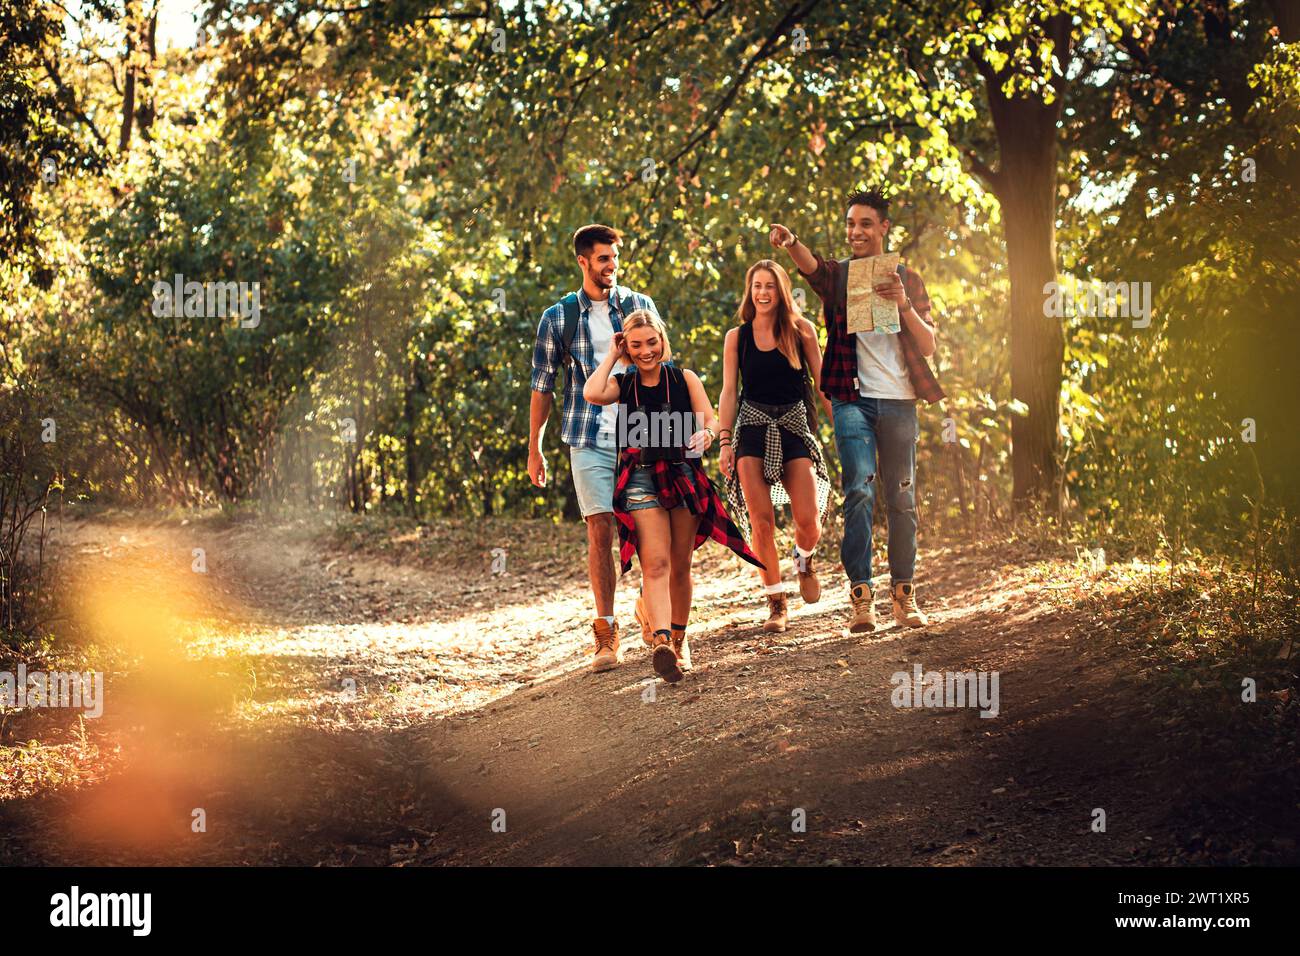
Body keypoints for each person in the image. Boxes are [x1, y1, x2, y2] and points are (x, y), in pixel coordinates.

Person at [769, 189, 945, 632]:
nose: (856, 232)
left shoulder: (908, 278)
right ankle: (861, 597)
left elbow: (929, 345)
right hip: (851, 399)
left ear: (884, 228)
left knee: (902, 497)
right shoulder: (840, 276)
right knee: (861, 491)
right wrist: (792, 243)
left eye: (865, 224)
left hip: (900, 401)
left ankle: (904, 595)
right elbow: (812, 268)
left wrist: (903, 303)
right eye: (850, 224)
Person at [584, 310, 764, 682]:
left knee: (680, 564)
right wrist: (614, 356)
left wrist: (710, 435)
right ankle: (662, 640)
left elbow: (710, 418)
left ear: (662, 340)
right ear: (628, 349)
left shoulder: (684, 378)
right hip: (641, 479)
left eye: (652, 342)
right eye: (636, 345)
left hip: (682, 476)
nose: (646, 351)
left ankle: (679, 640)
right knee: (656, 564)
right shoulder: (625, 383)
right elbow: (592, 392)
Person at [529, 224, 659, 672]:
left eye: (615, 258)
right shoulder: (559, 317)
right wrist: (535, 447)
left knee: (645, 530)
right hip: (587, 437)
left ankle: (651, 608)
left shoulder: (640, 306)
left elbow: (664, 369)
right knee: (600, 529)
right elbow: (543, 387)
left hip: (638, 436)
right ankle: (606, 632)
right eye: (603, 259)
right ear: (583, 261)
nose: (611, 266)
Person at [716, 260, 832, 633]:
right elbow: (729, 391)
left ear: (781, 290)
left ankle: (803, 560)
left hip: (793, 425)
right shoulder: (738, 337)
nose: (762, 293)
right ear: (750, 292)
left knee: (808, 520)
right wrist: (723, 441)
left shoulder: (802, 331)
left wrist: (848, 425)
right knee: (761, 523)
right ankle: (776, 602)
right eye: (756, 286)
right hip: (751, 426)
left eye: (769, 286)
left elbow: (823, 385)